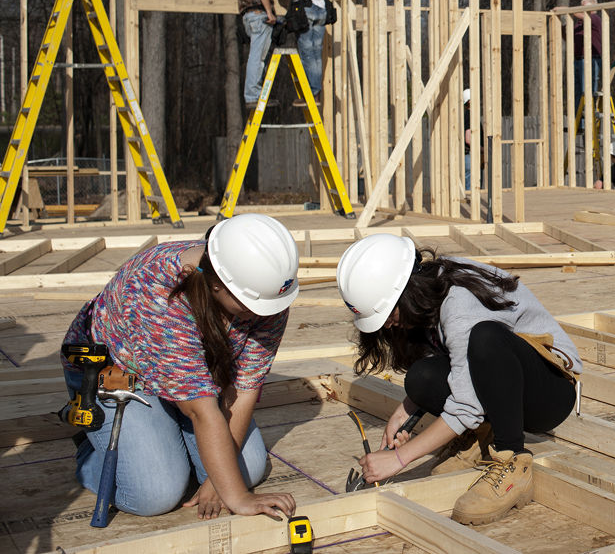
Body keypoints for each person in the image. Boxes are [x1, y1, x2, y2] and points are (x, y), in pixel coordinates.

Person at [60, 213, 301, 520]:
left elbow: (245, 387)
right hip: (120, 375)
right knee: (155, 493)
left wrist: (218, 481)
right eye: (249, 306)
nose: (259, 316)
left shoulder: (266, 289)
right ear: (216, 285)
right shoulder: (161, 292)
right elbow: (200, 411)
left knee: (247, 468)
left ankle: (165, 442)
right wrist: (238, 497)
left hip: (196, 381)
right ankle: (89, 452)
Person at [338, 234, 580, 525]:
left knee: (485, 338)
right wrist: (405, 411)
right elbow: (455, 368)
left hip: (550, 391)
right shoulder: (431, 287)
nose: (388, 324)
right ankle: (478, 439)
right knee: (420, 380)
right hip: (506, 381)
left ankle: (512, 459)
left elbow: (466, 403)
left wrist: (399, 459)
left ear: (405, 291)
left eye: (388, 314)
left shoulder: (461, 306)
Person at [555, 0, 603, 103]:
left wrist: (564, 9)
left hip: (590, 59)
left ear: (594, 8)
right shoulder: (579, 24)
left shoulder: (594, 18)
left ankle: (588, 118)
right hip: (578, 59)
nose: (580, 9)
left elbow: (579, 14)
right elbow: (570, 40)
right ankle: (578, 118)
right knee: (577, 92)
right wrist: (562, 31)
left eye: (583, 6)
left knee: (587, 90)